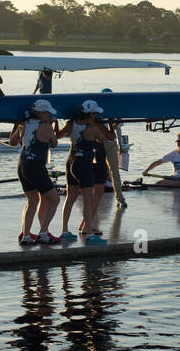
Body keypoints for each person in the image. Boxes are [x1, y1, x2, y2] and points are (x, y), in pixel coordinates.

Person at [58, 100, 112, 243]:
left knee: (70, 197)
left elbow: (57, 135)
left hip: (70, 162)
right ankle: (89, 235)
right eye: (95, 114)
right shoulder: (92, 128)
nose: (96, 116)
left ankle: (64, 231)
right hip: (83, 164)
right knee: (88, 200)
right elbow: (103, 138)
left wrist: (55, 123)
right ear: (90, 114)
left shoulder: (70, 124)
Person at [7, 99, 60, 244]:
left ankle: (26, 236)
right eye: (48, 113)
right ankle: (43, 233)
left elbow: (12, 142)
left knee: (32, 201)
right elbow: (54, 144)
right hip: (35, 166)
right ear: (42, 113)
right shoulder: (46, 127)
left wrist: (18, 128)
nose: (50, 115)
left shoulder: (24, 123)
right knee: (55, 199)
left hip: (22, 164)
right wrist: (53, 127)